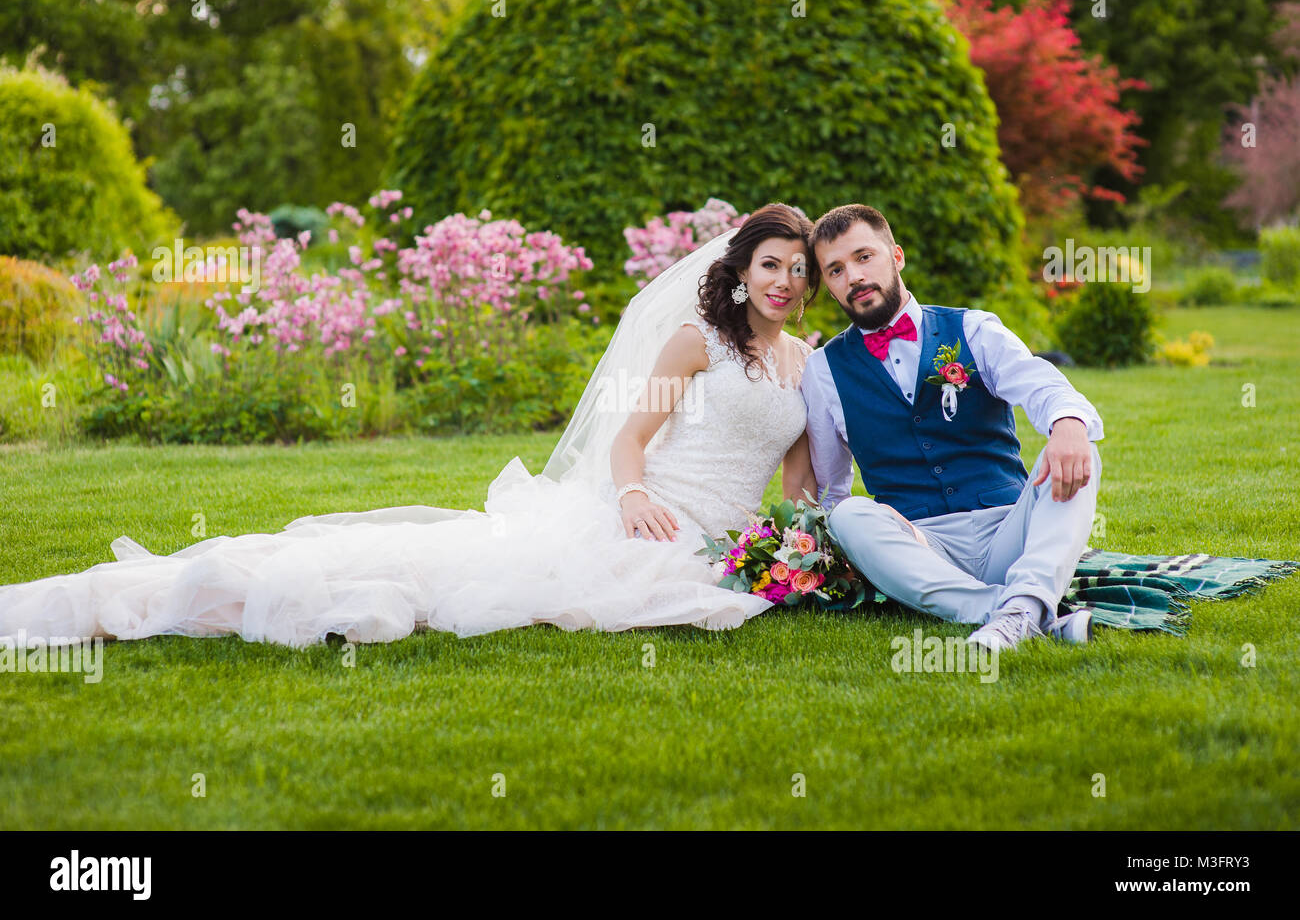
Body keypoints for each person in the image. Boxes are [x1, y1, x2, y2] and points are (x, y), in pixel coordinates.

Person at [0, 205, 823, 648]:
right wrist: (634, 494)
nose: (784, 280)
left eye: (797, 268)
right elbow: (626, 437)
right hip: (656, 514)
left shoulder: (807, 363)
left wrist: (799, 551)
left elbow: (797, 485)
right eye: (769, 265)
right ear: (740, 274)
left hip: (734, 542)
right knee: (466, 578)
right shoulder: (698, 342)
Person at [800, 204, 1102, 653]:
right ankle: (1021, 611)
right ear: (828, 284)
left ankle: (1017, 608)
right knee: (846, 516)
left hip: (1009, 531)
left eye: (865, 258)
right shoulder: (823, 370)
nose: (854, 277)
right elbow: (831, 489)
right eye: (836, 270)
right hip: (923, 548)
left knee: (1078, 447)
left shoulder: (974, 329)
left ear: (896, 256)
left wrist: (1069, 424)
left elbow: (1043, 386)